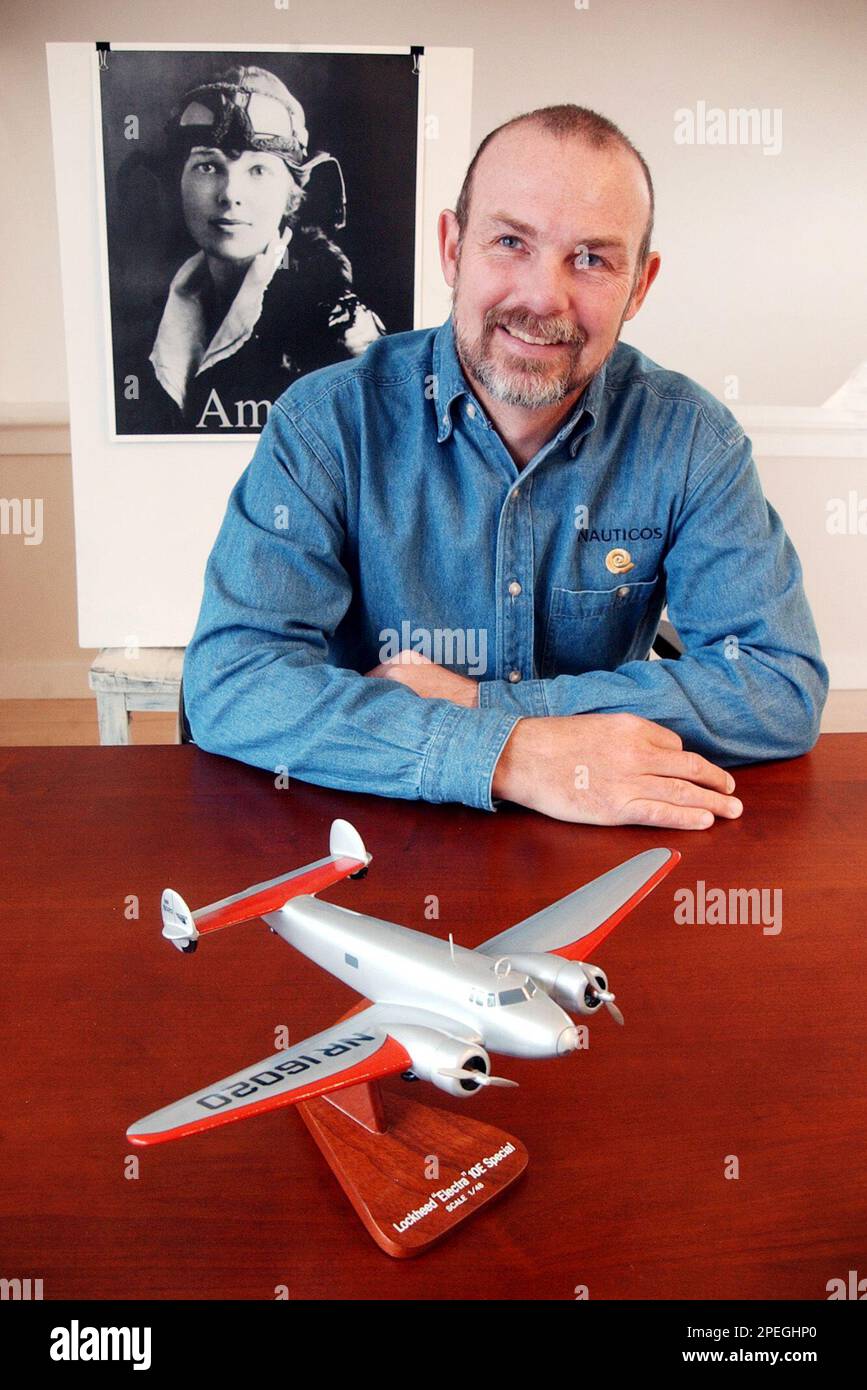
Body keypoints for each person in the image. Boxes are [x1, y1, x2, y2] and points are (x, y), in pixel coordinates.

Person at [183, 104, 828, 830]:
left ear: (639, 286)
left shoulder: (691, 440)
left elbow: (777, 685)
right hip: (368, 832)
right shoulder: (325, 423)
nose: (541, 297)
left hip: (600, 839)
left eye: (591, 258)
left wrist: (484, 707)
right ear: (452, 249)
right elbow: (233, 682)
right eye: (510, 242)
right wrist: (510, 755)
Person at [116, 65, 384, 434]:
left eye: (258, 170)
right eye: (208, 166)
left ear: (292, 195)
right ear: (177, 181)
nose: (230, 195)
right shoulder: (143, 326)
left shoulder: (339, 334)